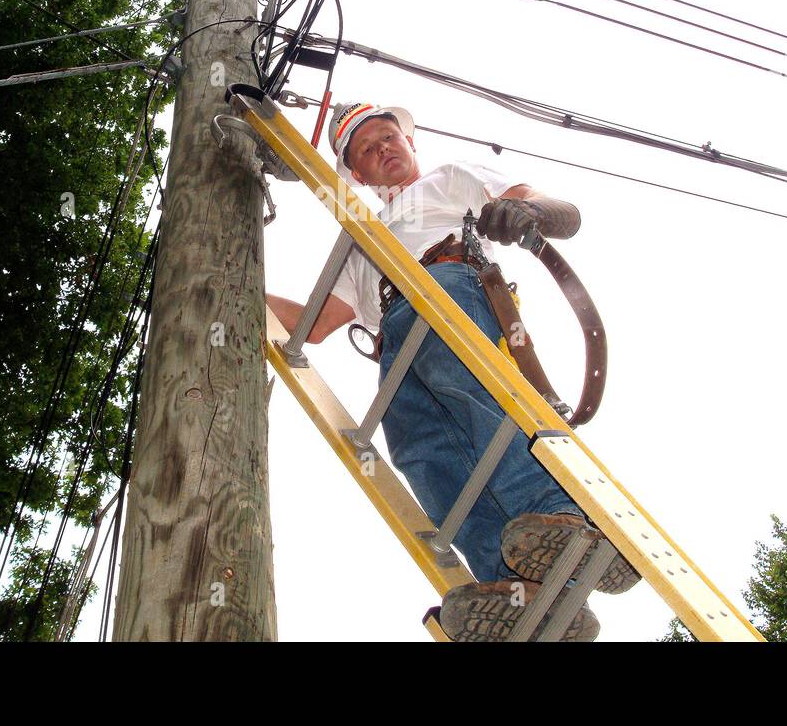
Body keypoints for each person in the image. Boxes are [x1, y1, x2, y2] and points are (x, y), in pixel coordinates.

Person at [266, 102, 638, 641]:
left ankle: (564, 517)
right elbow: (317, 323)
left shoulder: (450, 178)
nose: (383, 150)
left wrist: (528, 215)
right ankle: (517, 584)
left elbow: (555, 209)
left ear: (409, 143)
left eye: (389, 137)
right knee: (423, 456)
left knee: (472, 395)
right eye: (367, 150)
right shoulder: (358, 239)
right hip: (395, 341)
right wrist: (239, 284)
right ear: (358, 175)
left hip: (449, 287)